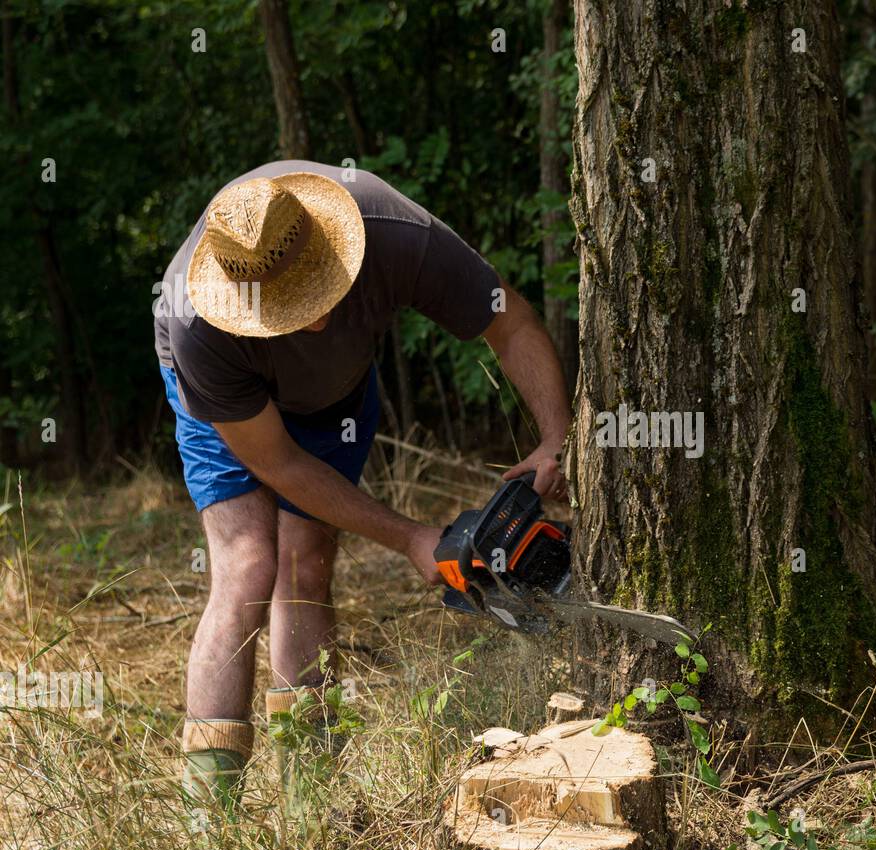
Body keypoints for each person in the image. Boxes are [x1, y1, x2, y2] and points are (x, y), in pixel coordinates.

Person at [152, 160, 570, 812]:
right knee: (248, 565)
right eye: (291, 312)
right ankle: (211, 818)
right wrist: (411, 539)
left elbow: (507, 322)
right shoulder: (198, 326)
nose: (314, 322)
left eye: (320, 293)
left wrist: (554, 438)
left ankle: (309, 800)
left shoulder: (394, 233)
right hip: (235, 413)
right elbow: (279, 464)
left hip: (335, 397)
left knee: (307, 564)